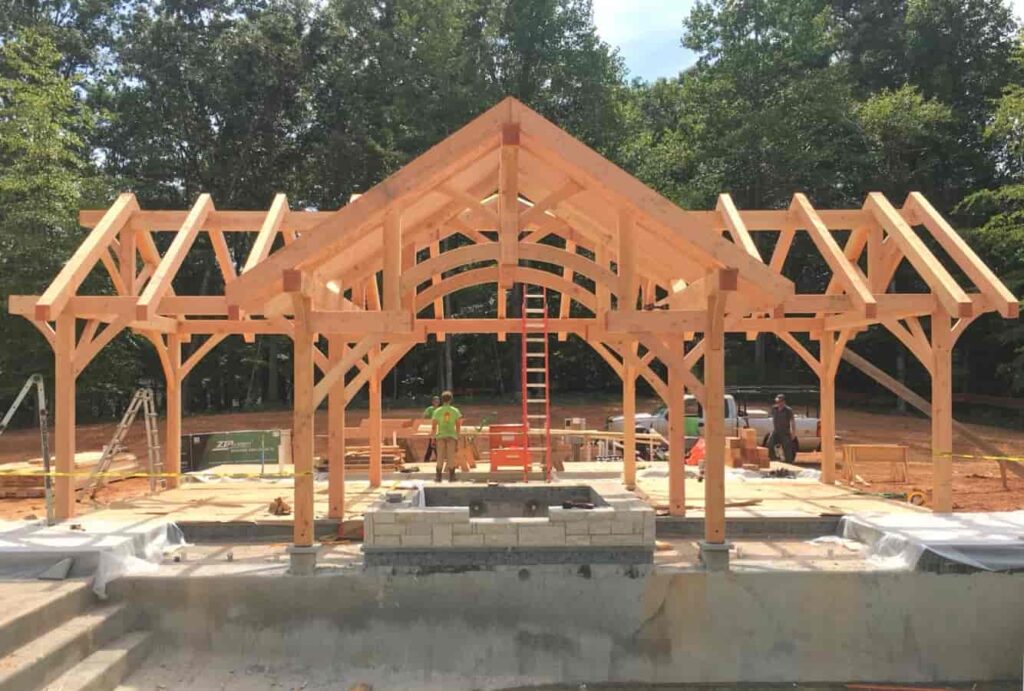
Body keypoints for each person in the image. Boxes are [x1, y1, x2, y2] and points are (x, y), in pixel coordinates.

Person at [431, 391, 462, 482]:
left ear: (442, 399)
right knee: (451, 456)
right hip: (451, 436)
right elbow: (458, 425)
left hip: (440, 436)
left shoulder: (437, 411)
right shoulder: (455, 411)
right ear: (451, 399)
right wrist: (457, 437)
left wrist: (433, 438)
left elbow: (433, 427)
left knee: (440, 456)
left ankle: (438, 477)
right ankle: (452, 477)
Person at [769, 393, 797, 464]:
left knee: (787, 448)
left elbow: (792, 421)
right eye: (777, 401)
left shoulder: (788, 410)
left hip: (785, 432)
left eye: (779, 402)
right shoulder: (774, 408)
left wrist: (793, 432)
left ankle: (789, 462)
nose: (778, 403)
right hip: (776, 431)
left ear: (783, 402)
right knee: (770, 444)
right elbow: (772, 418)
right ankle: (773, 460)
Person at [422, 395, 440, 466]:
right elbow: (424, 416)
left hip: (438, 428)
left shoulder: (440, 409)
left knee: (434, 444)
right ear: (432, 402)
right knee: (433, 443)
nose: (436, 402)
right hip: (431, 428)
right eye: (435, 401)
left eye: (438, 401)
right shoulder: (430, 409)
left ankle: (428, 459)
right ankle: (430, 458)